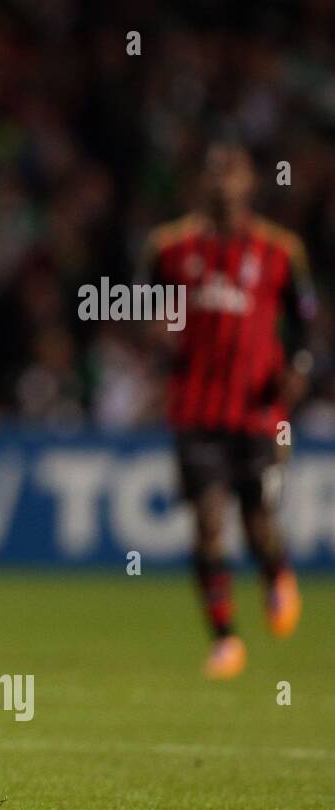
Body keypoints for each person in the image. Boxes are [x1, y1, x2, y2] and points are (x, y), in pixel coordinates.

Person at [139, 141, 318, 680]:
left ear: (249, 183)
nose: (222, 183)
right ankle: (224, 638)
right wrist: (156, 335)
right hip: (195, 409)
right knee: (208, 524)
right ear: (201, 183)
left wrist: (300, 369)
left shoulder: (280, 250)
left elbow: (305, 321)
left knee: (258, 519)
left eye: (232, 173)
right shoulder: (170, 246)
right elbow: (148, 309)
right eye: (213, 173)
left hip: (259, 411)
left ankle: (276, 573)